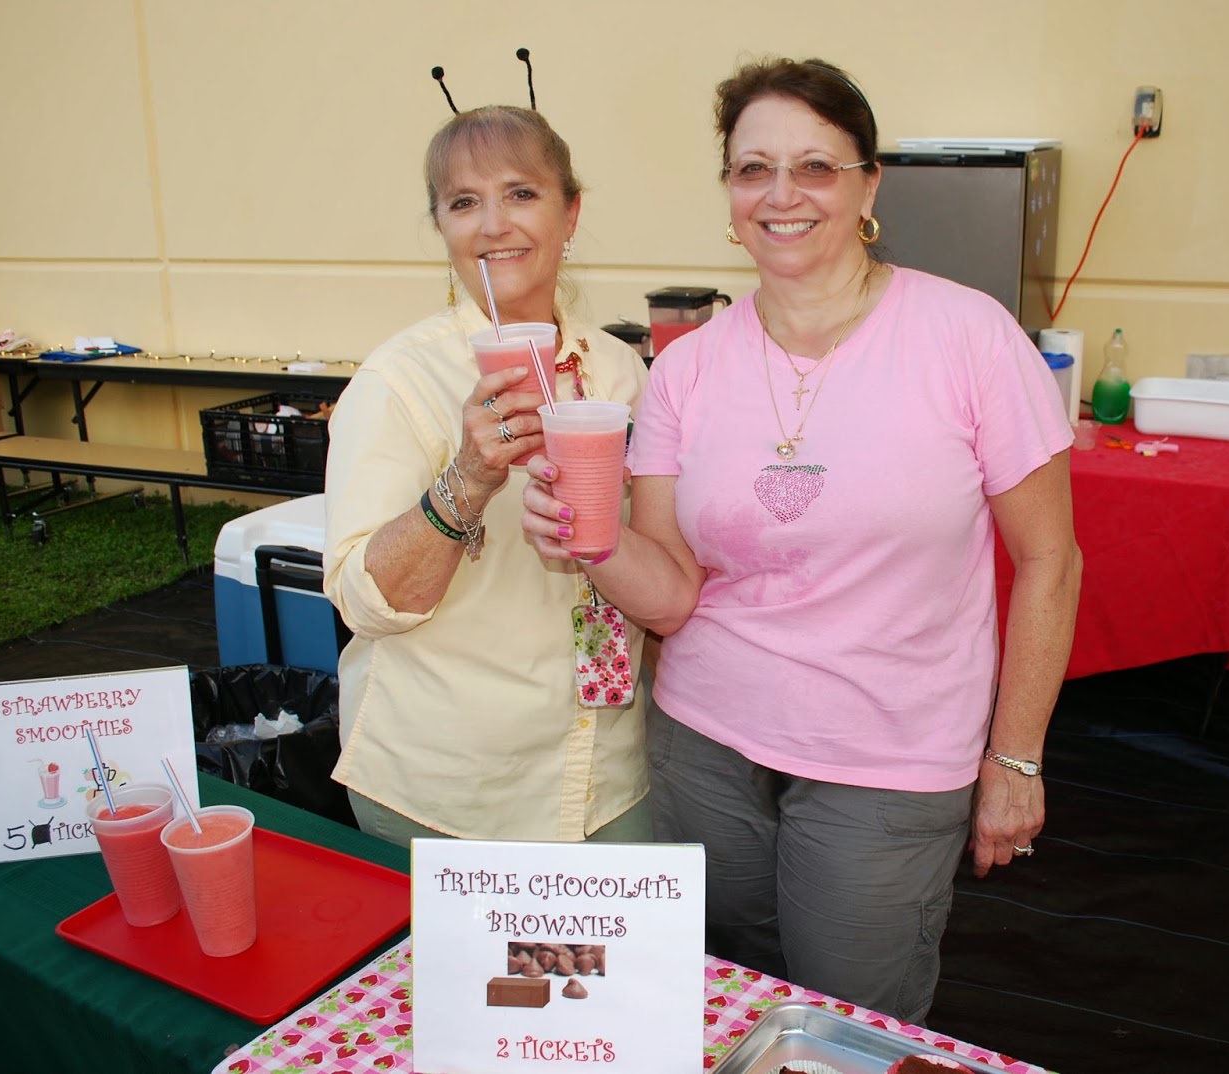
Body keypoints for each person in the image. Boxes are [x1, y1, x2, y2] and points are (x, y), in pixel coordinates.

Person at [521, 57, 1079, 1023]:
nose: (782, 195)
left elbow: (1050, 562)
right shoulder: (687, 370)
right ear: (730, 194)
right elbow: (674, 592)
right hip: (704, 749)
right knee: (728, 996)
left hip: (889, 763)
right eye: (753, 170)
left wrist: (1016, 759)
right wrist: (590, 535)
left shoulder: (969, 339)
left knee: (846, 1021)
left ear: (868, 185)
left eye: (815, 167)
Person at [322, 105, 651, 847]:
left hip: (609, 773)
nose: (494, 224)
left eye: (522, 193)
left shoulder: (619, 368)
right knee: (481, 972)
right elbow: (363, 603)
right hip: (453, 789)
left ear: (571, 213)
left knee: (603, 967)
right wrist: (467, 478)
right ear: (441, 227)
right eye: (464, 202)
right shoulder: (398, 380)